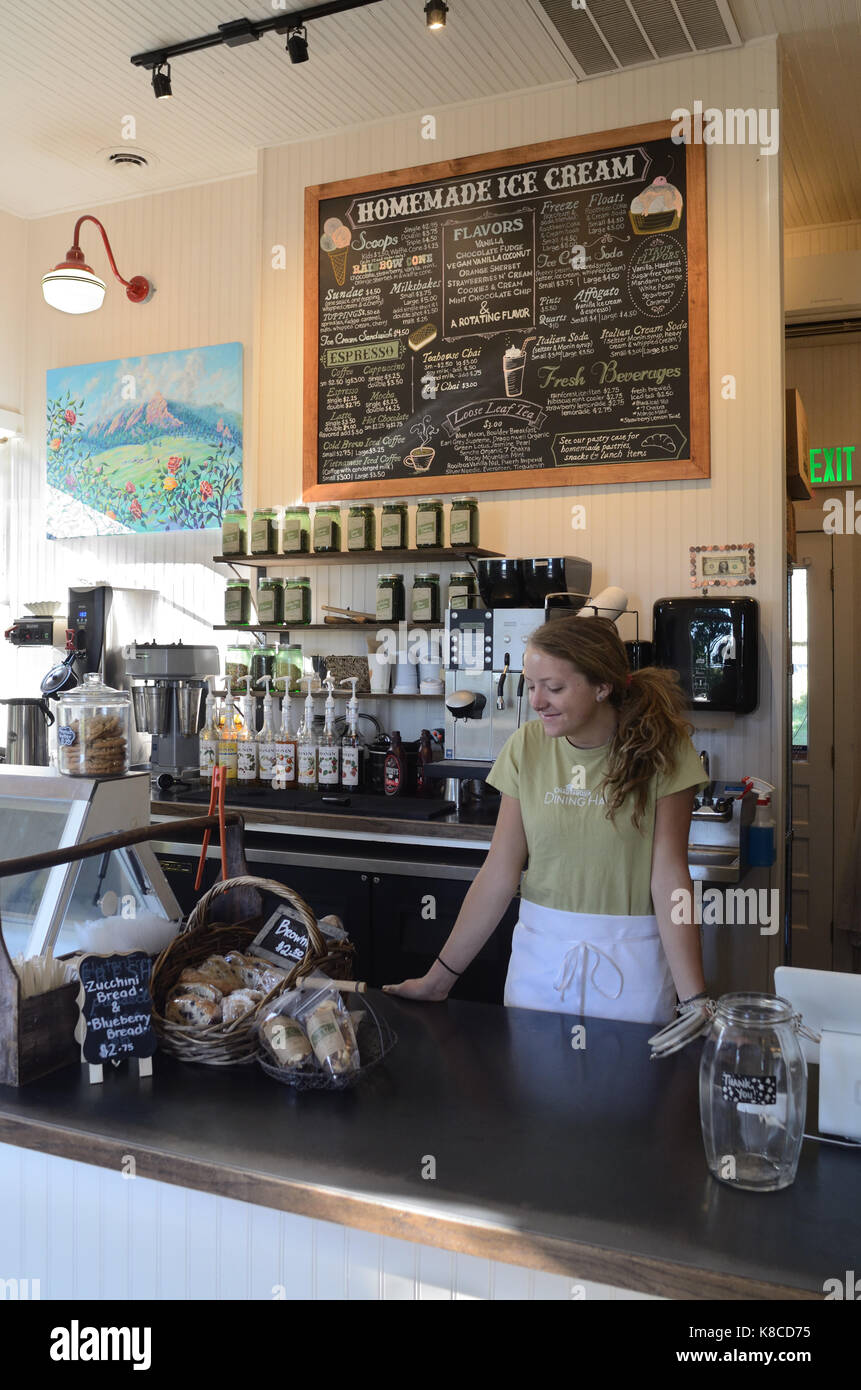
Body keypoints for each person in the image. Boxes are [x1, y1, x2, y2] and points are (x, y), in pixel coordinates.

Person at [383, 617, 710, 1025]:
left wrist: (696, 1001)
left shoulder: (664, 749)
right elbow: (499, 874)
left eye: (554, 688)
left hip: (633, 968)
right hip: (539, 969)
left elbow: (670, 878)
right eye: (531, 685)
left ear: (602, 686)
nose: (537, 701)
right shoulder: (526, 747)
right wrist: (439, 980)